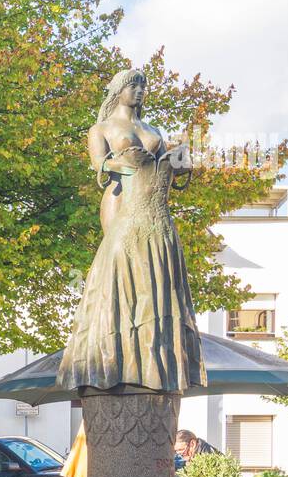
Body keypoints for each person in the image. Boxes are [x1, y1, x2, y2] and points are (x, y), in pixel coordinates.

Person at [57, 69, 207, 395]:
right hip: (121, 203)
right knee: (123, 276)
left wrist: (181, 161)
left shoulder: (153, 130)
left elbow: (170, 166)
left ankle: (151, 358)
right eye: (133, 84)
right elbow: (99, 164)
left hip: (155, 207)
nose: (139, 90)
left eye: (143, 85)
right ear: (118, 89)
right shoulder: (102, 128)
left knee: (153, 285)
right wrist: (122, 162)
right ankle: (118, 350)